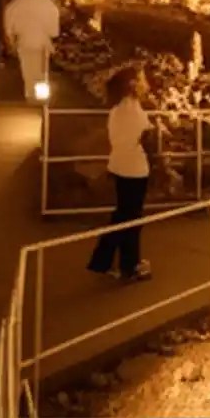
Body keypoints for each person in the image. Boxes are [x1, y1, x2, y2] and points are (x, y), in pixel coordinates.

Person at [87, 67, 154, 282]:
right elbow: (145, 138)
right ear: (133, 85)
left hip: (119, 165)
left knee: (122, 215)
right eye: (142, 80)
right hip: (134, 168)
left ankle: (103, 260)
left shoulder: (117, 110)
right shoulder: (133, 112)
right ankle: (130, 265)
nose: (146, 84)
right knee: (131, 219)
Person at [4, 0, 60, 103]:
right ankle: (40, 97)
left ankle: (30, 95)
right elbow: (54, 31)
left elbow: (8, 24)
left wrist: (10, 40)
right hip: (42, 43)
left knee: (28, 70)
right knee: (41, 72)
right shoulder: (49, 5)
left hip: (24, 42)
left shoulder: (16, 3)